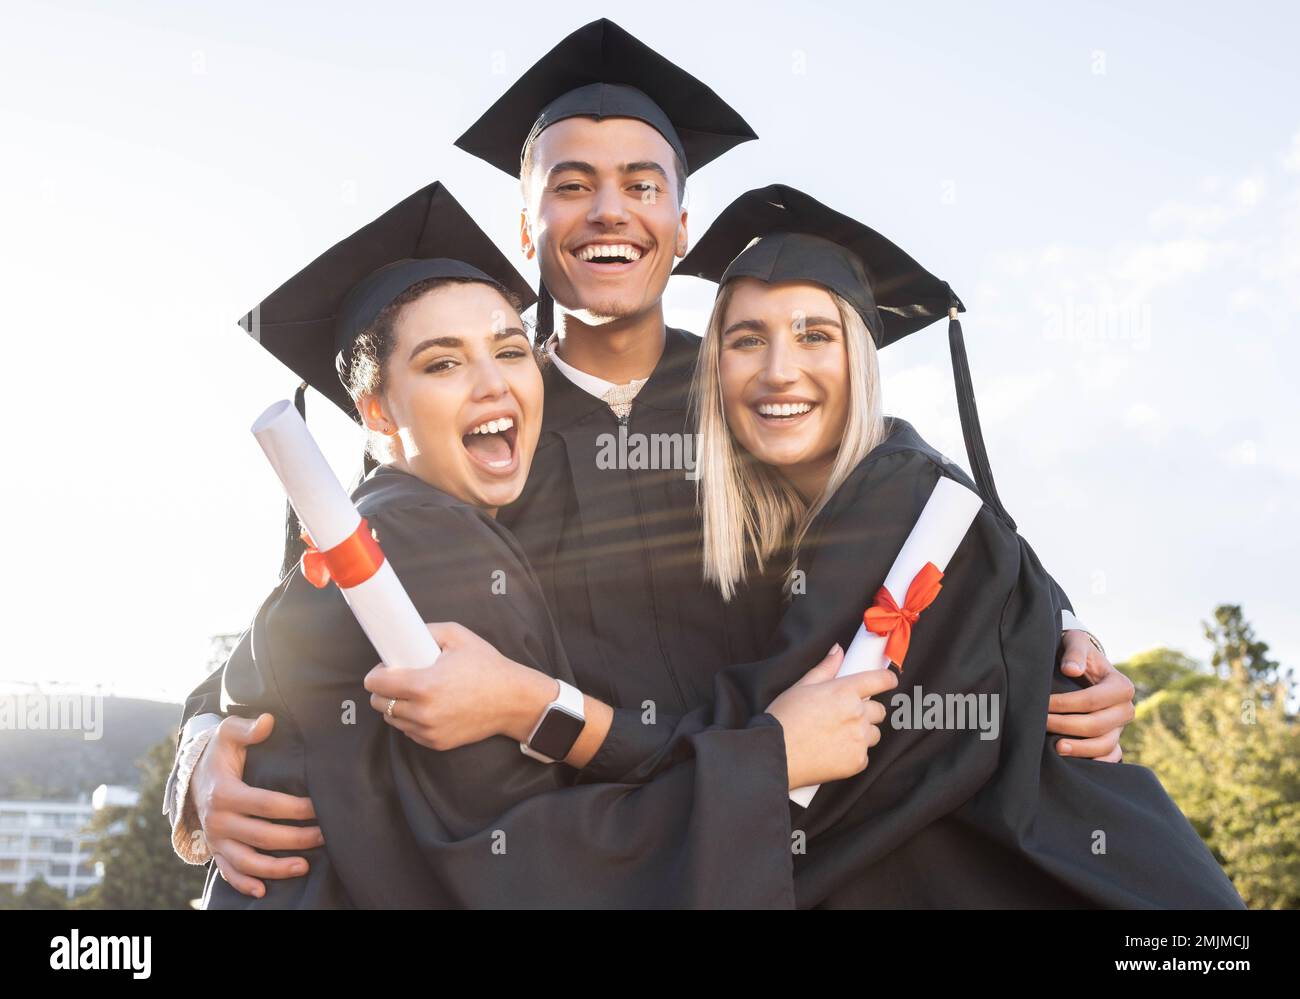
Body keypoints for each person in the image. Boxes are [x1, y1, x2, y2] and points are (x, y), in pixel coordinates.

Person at [166, 18, 1136, 896]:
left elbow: (921, 532)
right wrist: (203, 745)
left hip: (798, 856)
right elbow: (311, 625)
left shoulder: (765, 405)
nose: (608, 211)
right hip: (586, 864)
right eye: (570, 186)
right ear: (525, 229)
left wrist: (1059, 638)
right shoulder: (473, 435)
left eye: (641, 185)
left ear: (679, 229)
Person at [199, 180, 879, 908]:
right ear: (375, 411)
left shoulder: (741, 411)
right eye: (442, 362)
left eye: (508, 349)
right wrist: (767, 764)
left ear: (681, 224)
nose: (493, 383)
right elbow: (517, 861)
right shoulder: (424, 535)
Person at [657, 183, 1242, 907]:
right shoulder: (783, 525)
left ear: (860, 361)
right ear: (714, 366)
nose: (779, 369)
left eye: (815, 334)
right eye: (747, 338)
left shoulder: (904, 497)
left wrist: (568, 727)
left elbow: (787, 756)